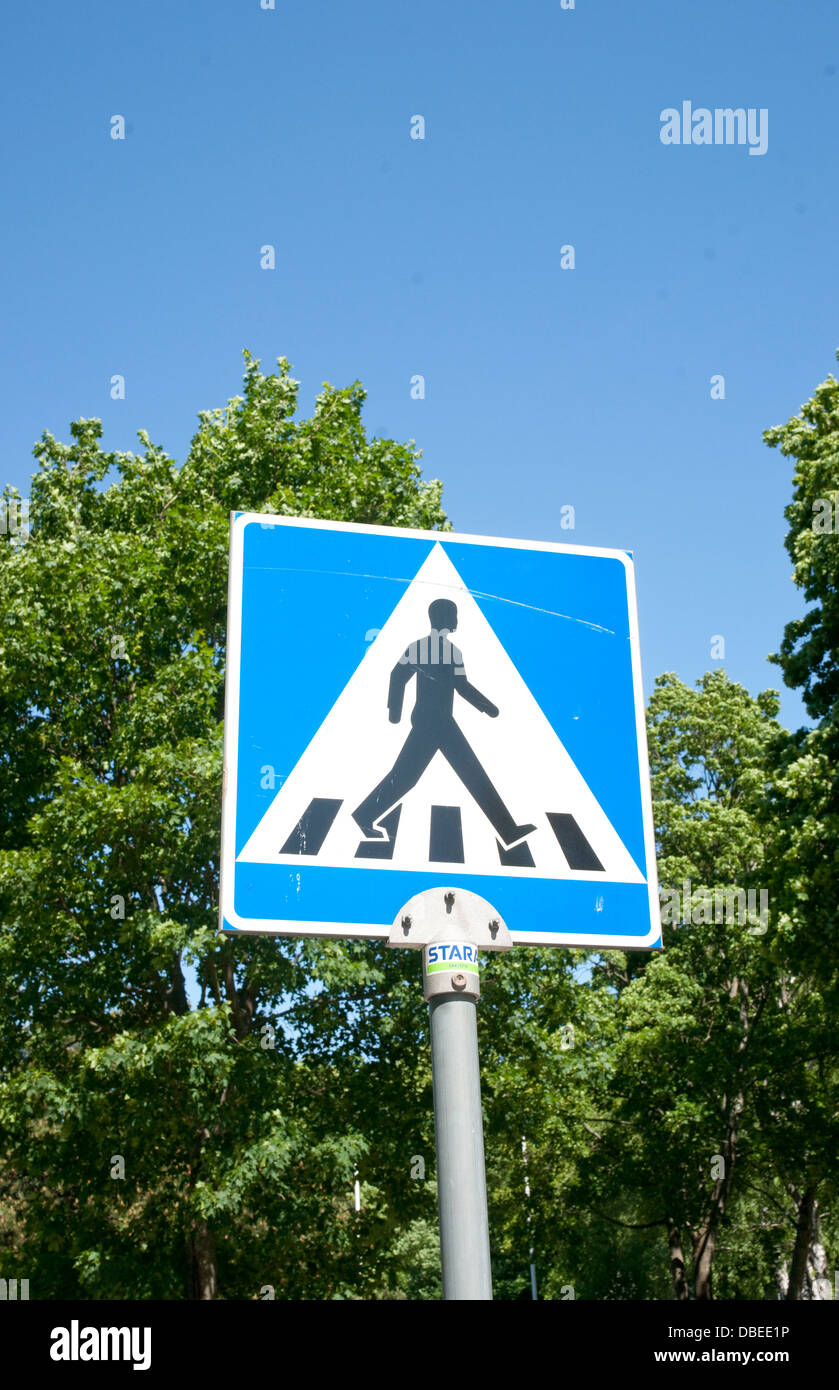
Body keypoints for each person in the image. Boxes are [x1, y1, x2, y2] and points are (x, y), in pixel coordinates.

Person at [352, 599, 536, 846]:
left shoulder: (428, 648)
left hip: (439, 721)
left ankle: (508, 830)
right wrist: (393, 714)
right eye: (455, 615)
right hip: (433, 722)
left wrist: (487, 707)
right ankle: (507, 830)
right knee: (450, 774)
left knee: (421, 775)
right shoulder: (441, 650)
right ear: (448, 618)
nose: (457, 620)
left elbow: (452, 685)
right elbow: (400, 676)